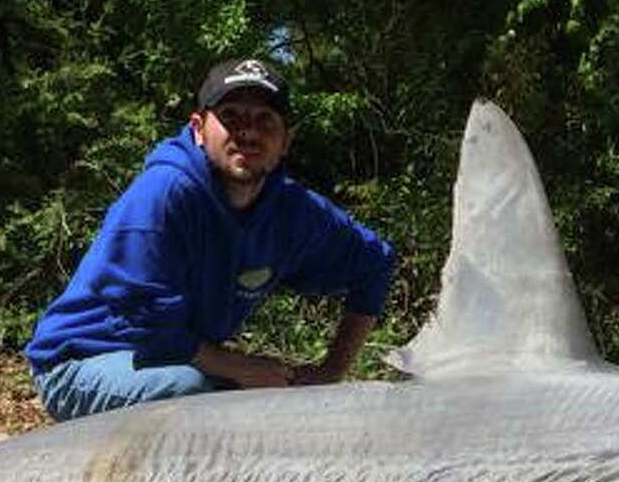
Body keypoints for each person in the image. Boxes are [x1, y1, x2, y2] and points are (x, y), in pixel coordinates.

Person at [24, 57, 397, 419]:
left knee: (265, 401)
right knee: (192, 394)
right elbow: (146, 327)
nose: (248, 132)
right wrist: (241, 367)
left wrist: (331, 371)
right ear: (199, 128)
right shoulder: (164, 193)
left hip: (174, 361)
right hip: (81, 361)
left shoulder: (294, 212)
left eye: (265, 120)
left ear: (287, 140)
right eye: (231, 117)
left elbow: (375, 262)